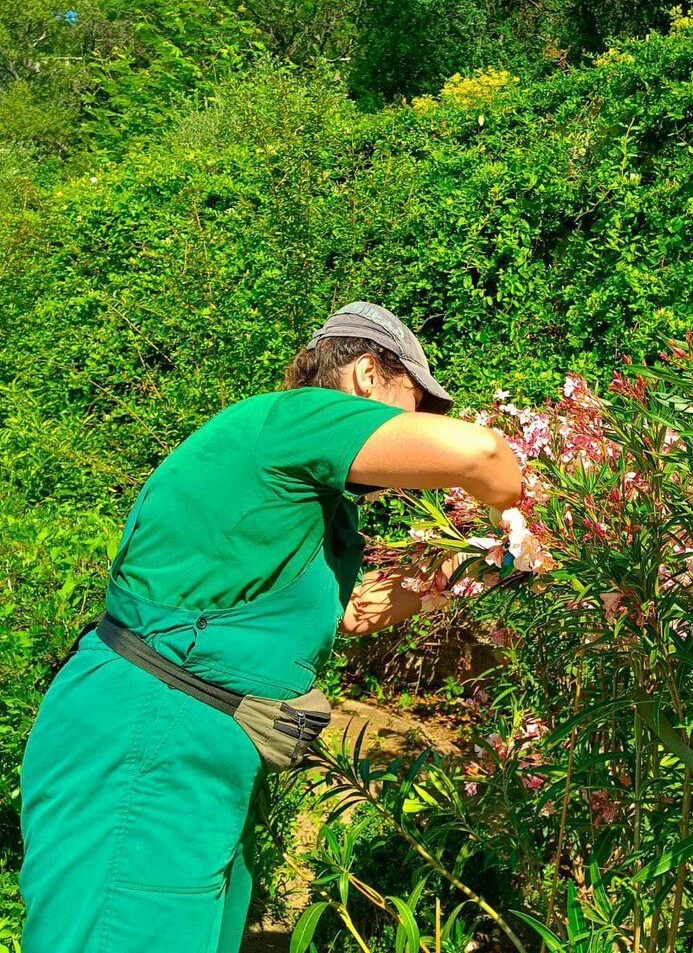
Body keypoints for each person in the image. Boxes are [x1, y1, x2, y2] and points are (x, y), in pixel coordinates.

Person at [18, 301, 522, 953]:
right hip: (148, 745)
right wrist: (530, 508)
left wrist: (459, 570)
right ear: (369, 374)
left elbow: (346, 611)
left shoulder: (312, 494)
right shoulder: (299, 416)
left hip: (192, 754)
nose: (420, 420)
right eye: (417, 402)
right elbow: (482, 453)